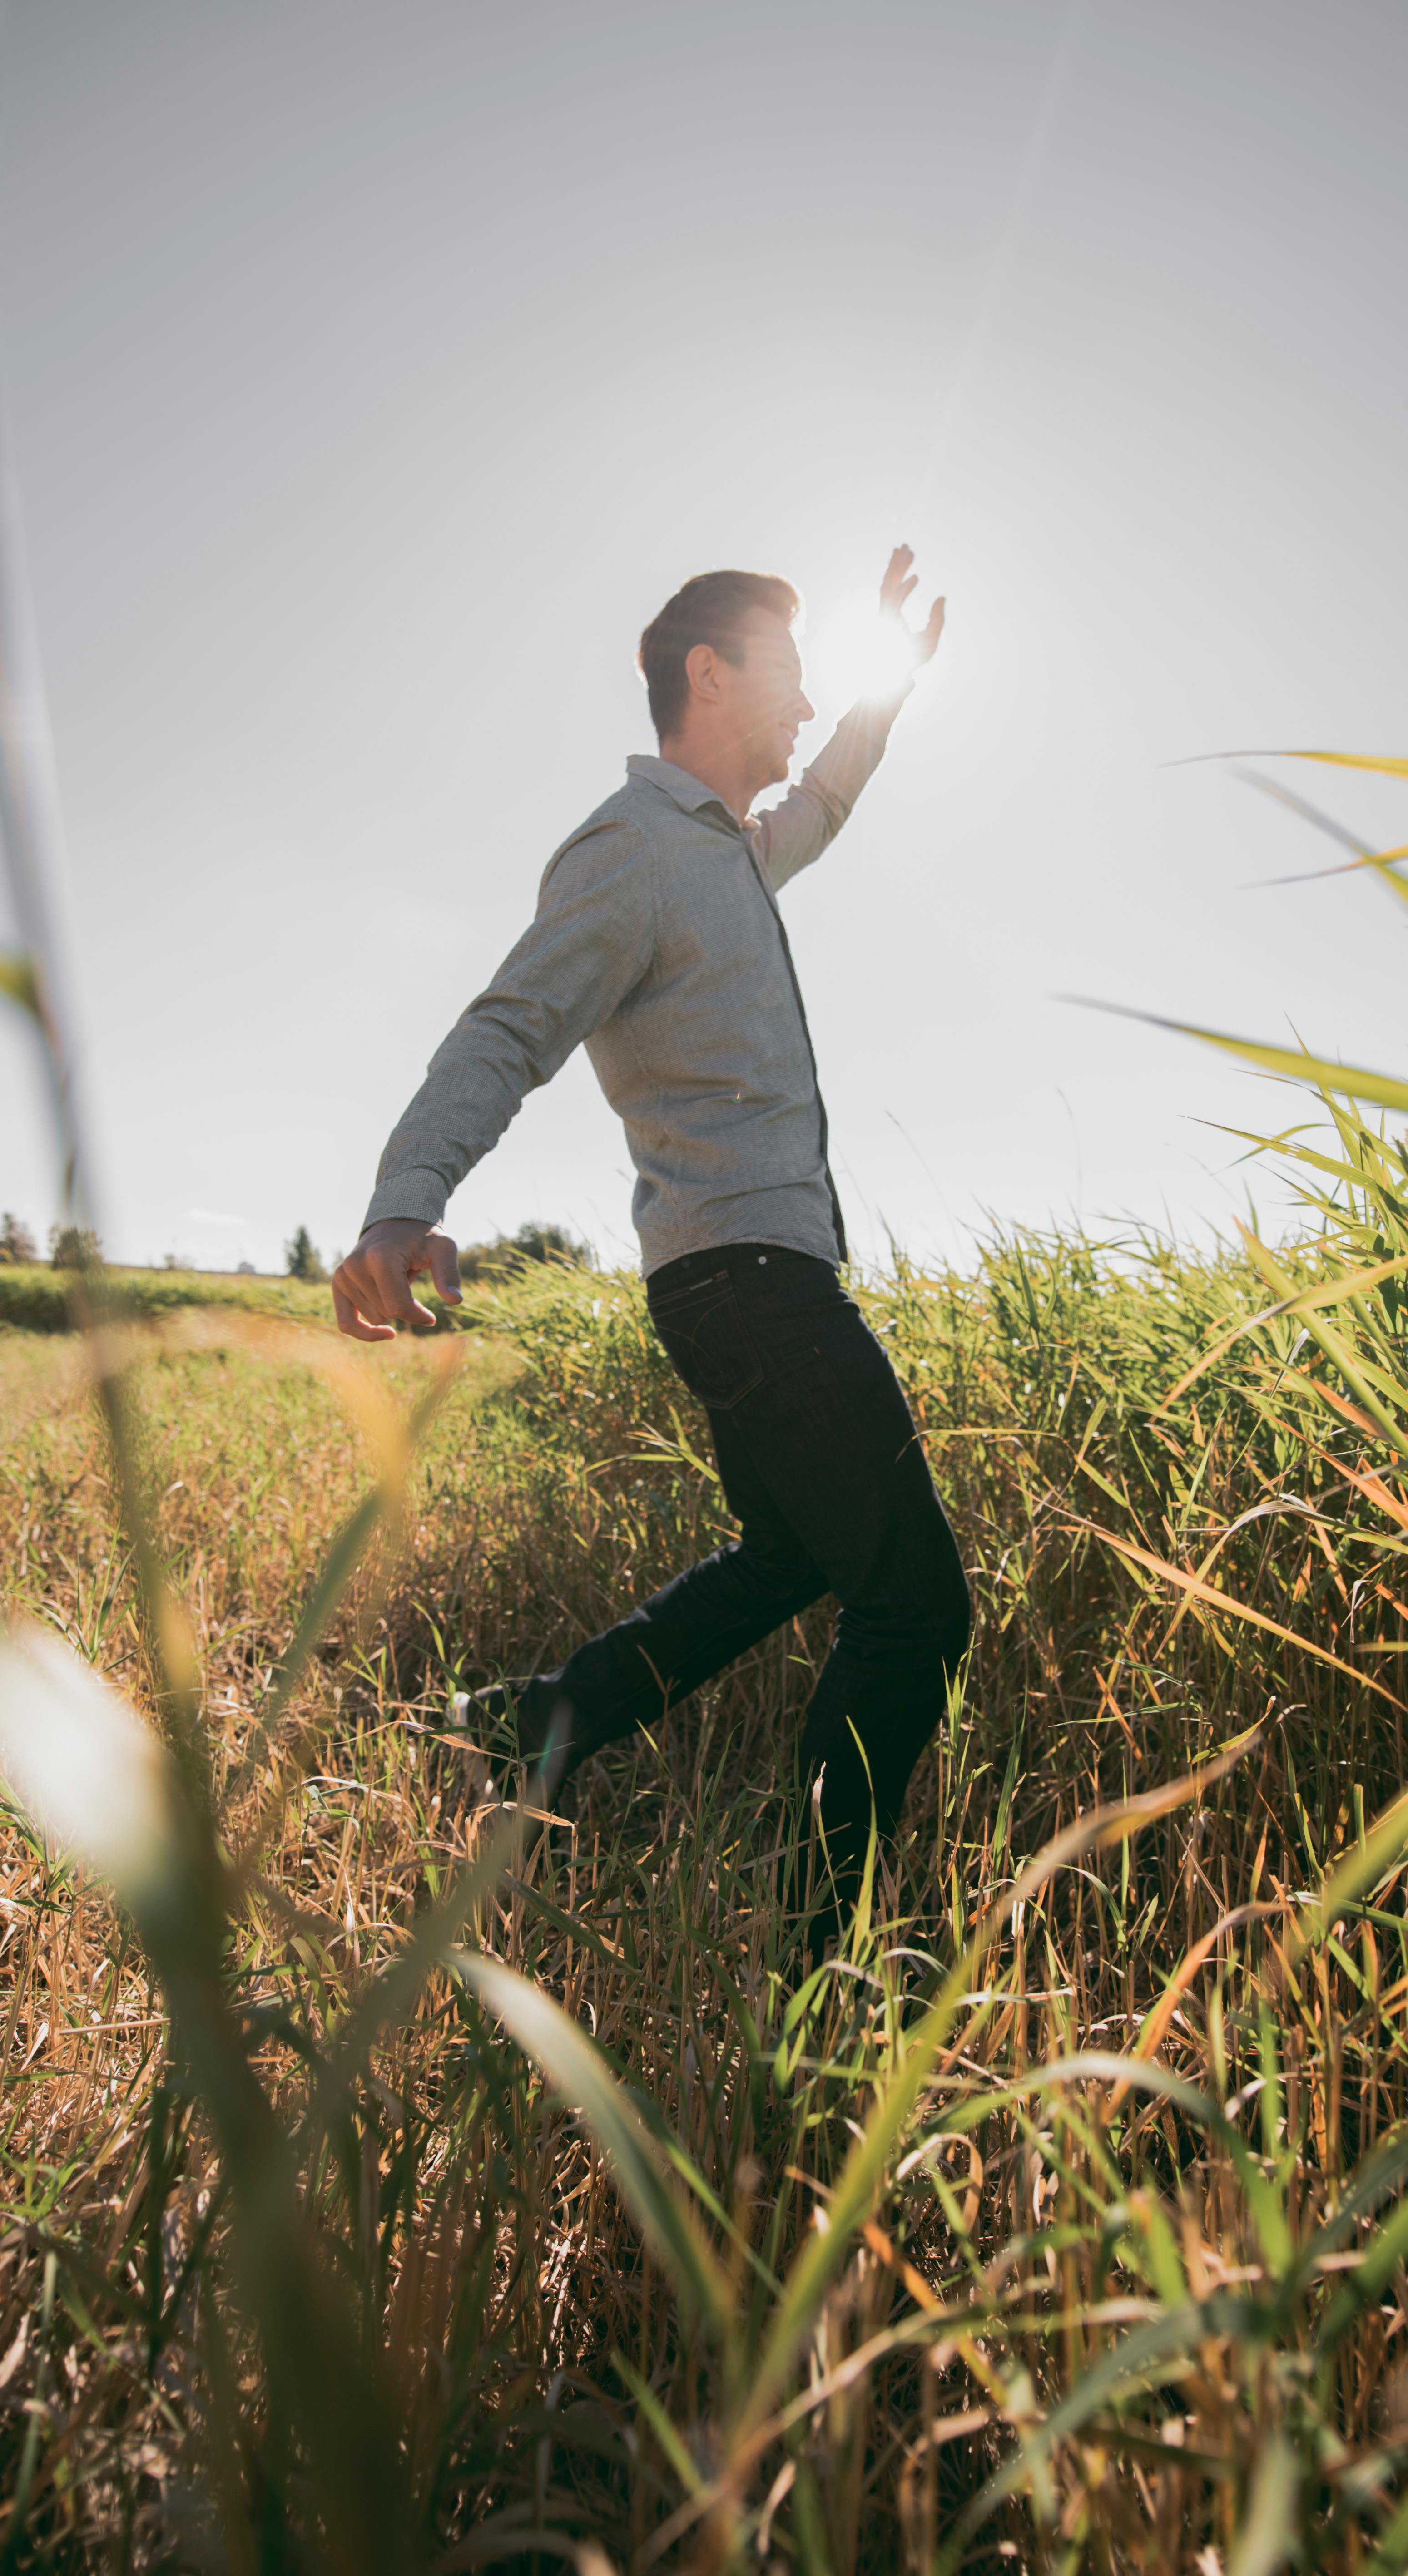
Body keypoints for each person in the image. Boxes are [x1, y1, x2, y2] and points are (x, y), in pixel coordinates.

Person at [332, 548, 971, 1915]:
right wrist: (406, 1202)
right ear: (708, 675)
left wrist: (891, 684)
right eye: (792, 680)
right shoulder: (634, 854)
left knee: (795, 1553)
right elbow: (511, 1028)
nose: (807, 707)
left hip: (741, 1279)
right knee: (914, 1606)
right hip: (753, 1286)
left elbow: (831, 797)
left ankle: (529, 1728)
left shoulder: (730, 857)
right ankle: (817, 1956)